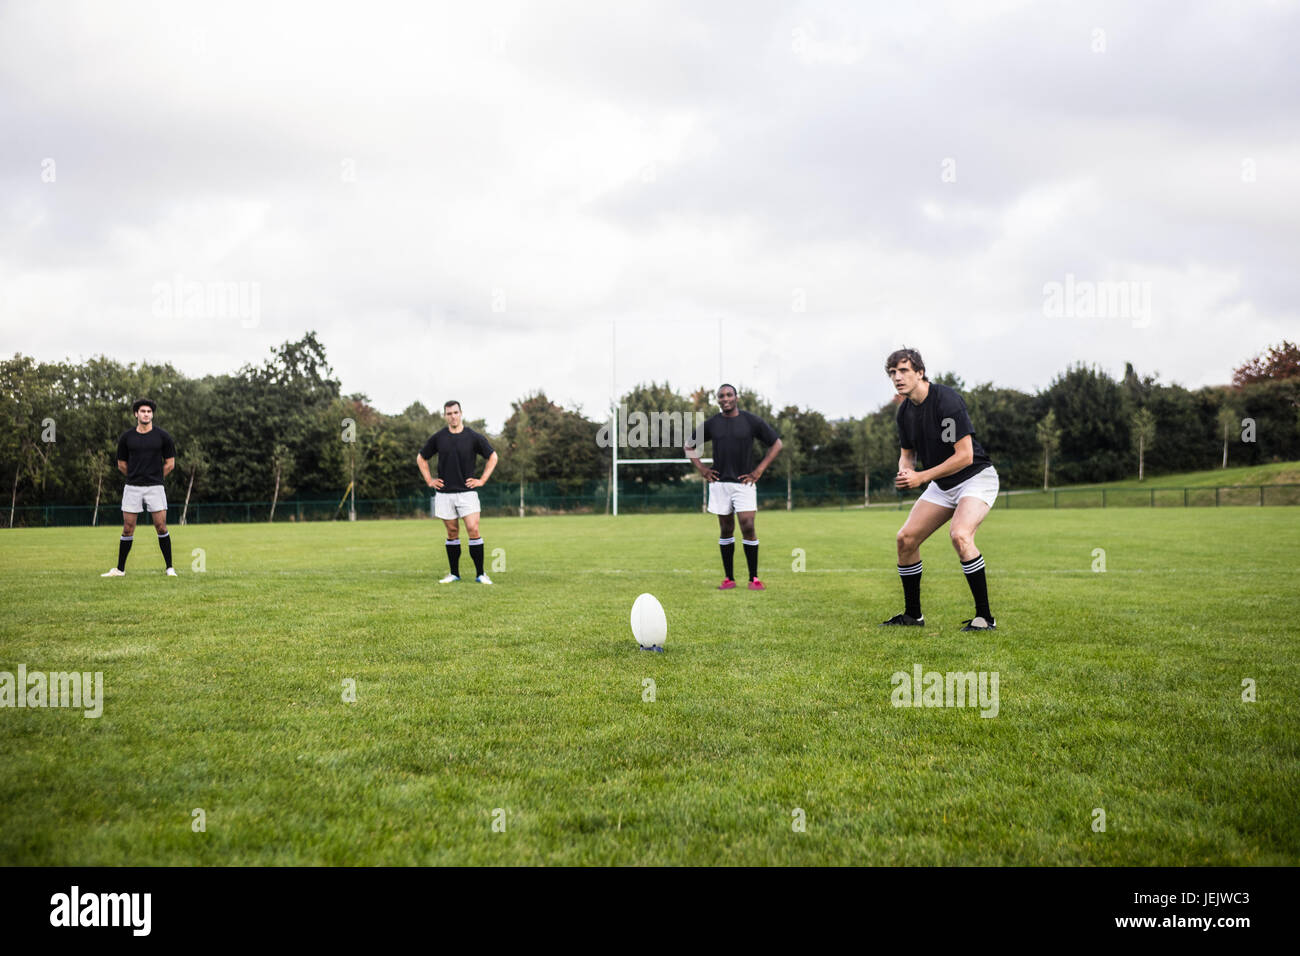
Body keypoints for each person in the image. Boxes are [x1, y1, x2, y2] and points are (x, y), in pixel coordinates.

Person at [880, 348, 999, 630]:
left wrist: (921, 477)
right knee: (906, 539)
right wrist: (906, 471)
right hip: (943, 484)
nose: (897, 377)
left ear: (920, 372)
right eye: (893, 373)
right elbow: (907, 454)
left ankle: (984, 618)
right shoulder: (904, 412)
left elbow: (965, 456)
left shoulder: (946, 400)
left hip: (975, 477)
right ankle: (913, 616)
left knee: (960, 535)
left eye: (904, 370)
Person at [685, 384, 782, 590]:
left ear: (736, 398)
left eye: (729, 395)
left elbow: (776, 444)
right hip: (719, 484)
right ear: (718, 400)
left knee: (748, 525)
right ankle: (729, 578)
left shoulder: (751, 421)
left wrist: (758, 470)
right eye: (721, 396)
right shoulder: (713, 424)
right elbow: (688, 445)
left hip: (744, 483)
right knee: (726, 529)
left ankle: (754, 578)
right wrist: (702, 468)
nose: (725, 398)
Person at [416, 400, 499, 584]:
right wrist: (429, 480)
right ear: (445, 416)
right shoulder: (438, 438)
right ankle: (454, 574)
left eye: (455, 412)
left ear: (461, 413)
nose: (453, 416)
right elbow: (421, 458)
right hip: (444, 494)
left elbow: (493, 456)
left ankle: (481, 574)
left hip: (467, 493)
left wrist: (482, 480)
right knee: (452, 532)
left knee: (473, 529)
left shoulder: (473, 437)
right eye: (449, 413)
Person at [102, 398, 177, 577]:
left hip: (155, 487)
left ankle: (170, 568)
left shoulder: (163, 436)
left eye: (149, 412)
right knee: (128, 528)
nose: (146, 414)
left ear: (152, 415)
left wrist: (156, 478)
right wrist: (136, 477)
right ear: (136, 414)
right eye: (142, 411)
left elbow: (170, 464)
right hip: (132, 487)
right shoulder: (127, 437)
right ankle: (120, 569)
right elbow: (121, 464)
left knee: (161, 526)